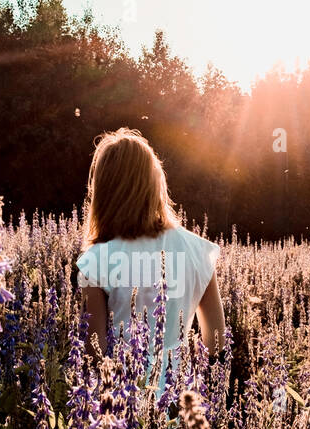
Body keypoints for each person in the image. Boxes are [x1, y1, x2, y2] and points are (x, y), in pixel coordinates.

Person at [76, 128, 225, 396]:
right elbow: (215, 341)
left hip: (121, 408)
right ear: (155, 183)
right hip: (181, 406)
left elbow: (92, 352)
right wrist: (177, 360)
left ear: (104, 192)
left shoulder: (96, 261)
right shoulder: (198, 251)